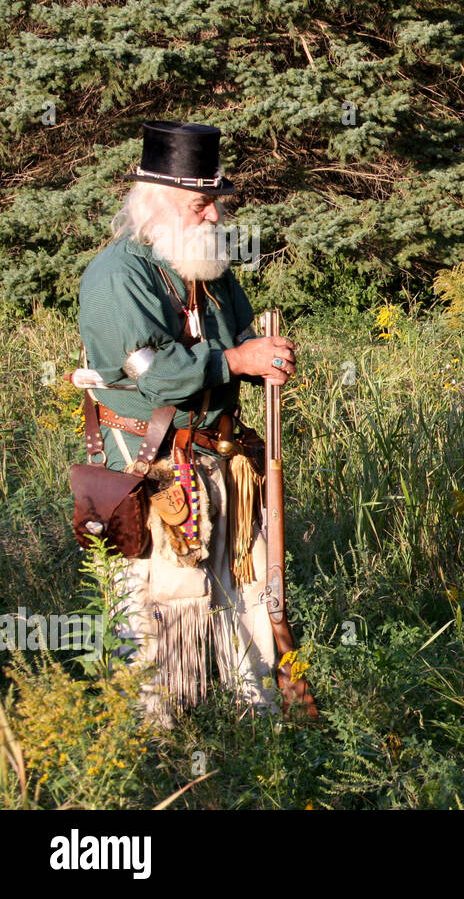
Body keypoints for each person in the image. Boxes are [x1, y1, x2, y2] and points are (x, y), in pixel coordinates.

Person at [76, 120, 297, 726]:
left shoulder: (208, 267)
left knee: (242, 593)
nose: (213, 217)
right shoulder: (119, 274)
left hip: (221, 461)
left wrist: (263, 355)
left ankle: (254, 731)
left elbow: (240, 336)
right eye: (200, 205)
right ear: (157, 204)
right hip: (153, 470)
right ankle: (167, 742)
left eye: (214, 204)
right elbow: (156, 373)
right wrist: (235, 360)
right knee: (167, 602)